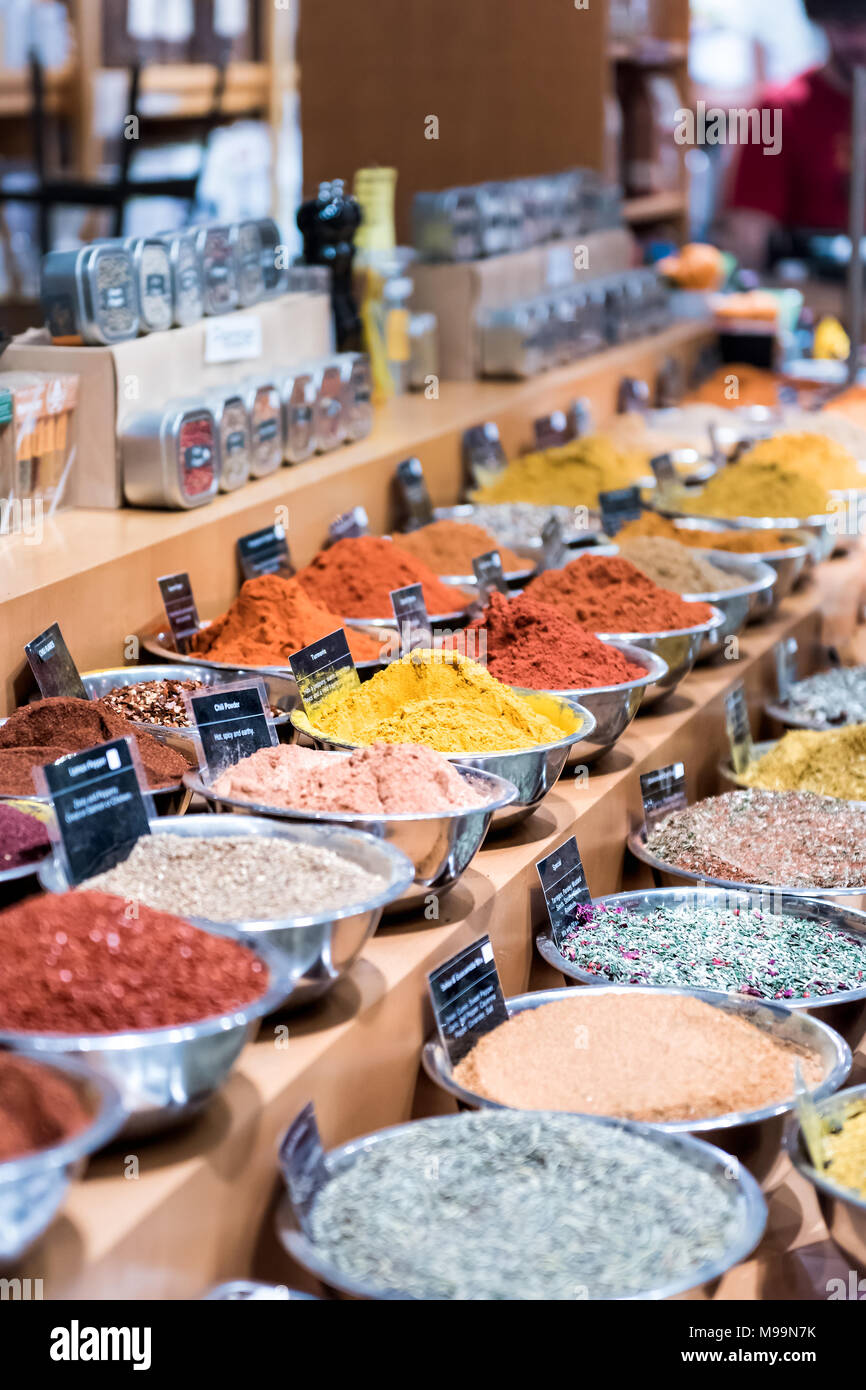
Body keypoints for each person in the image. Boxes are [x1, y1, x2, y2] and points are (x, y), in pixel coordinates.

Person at [726, 0, 866, 268]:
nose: (861, 41)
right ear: (823, 23)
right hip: (811, 290)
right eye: (848, 27)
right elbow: (748, 232)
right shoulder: (777, 110)